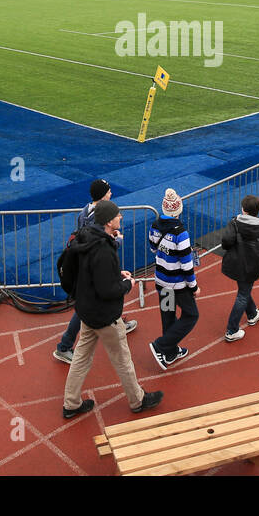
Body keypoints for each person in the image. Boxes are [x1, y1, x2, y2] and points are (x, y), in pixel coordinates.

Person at [61, 200, 163, 419]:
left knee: (80, 357)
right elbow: (107, 290)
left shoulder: (86, 238)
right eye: (118, 216)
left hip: (85, 310)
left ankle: (70, 403)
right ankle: (138, 400)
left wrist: (117, 274)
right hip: (104, 316)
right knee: (123, 360)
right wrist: (127, 284)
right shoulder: (104, 250)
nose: (121, 218)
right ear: (109, 221)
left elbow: (93, 275)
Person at [54, 179, 136, 363]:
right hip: (95, 264)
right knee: (86, 306)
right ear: (103, 194)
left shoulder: (85, 210)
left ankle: (119, 322)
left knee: (102, 293)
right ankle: (64, 345)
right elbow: (99, 244)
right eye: (108, 191)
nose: (111, 193)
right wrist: (118, 241)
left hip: (88, 262)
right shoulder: (97, 218)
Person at [148, 188, 197, 369]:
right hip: (177, 285)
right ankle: (161, 345)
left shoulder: (154, 225)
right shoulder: (180, 233)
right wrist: (193, 286)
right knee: (191, 315)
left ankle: (170, 353)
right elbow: (186, 264)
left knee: (167, 315)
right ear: (179, 210)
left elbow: (153, 249)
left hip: (161, 281)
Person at [220, 194, 259, 342]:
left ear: (243, 209)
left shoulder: (235, 223)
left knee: (243, 290)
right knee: (243, 294)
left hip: (234, 263)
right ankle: (232, 330)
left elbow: (226, 241)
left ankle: (252, 314)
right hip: (250, 266)